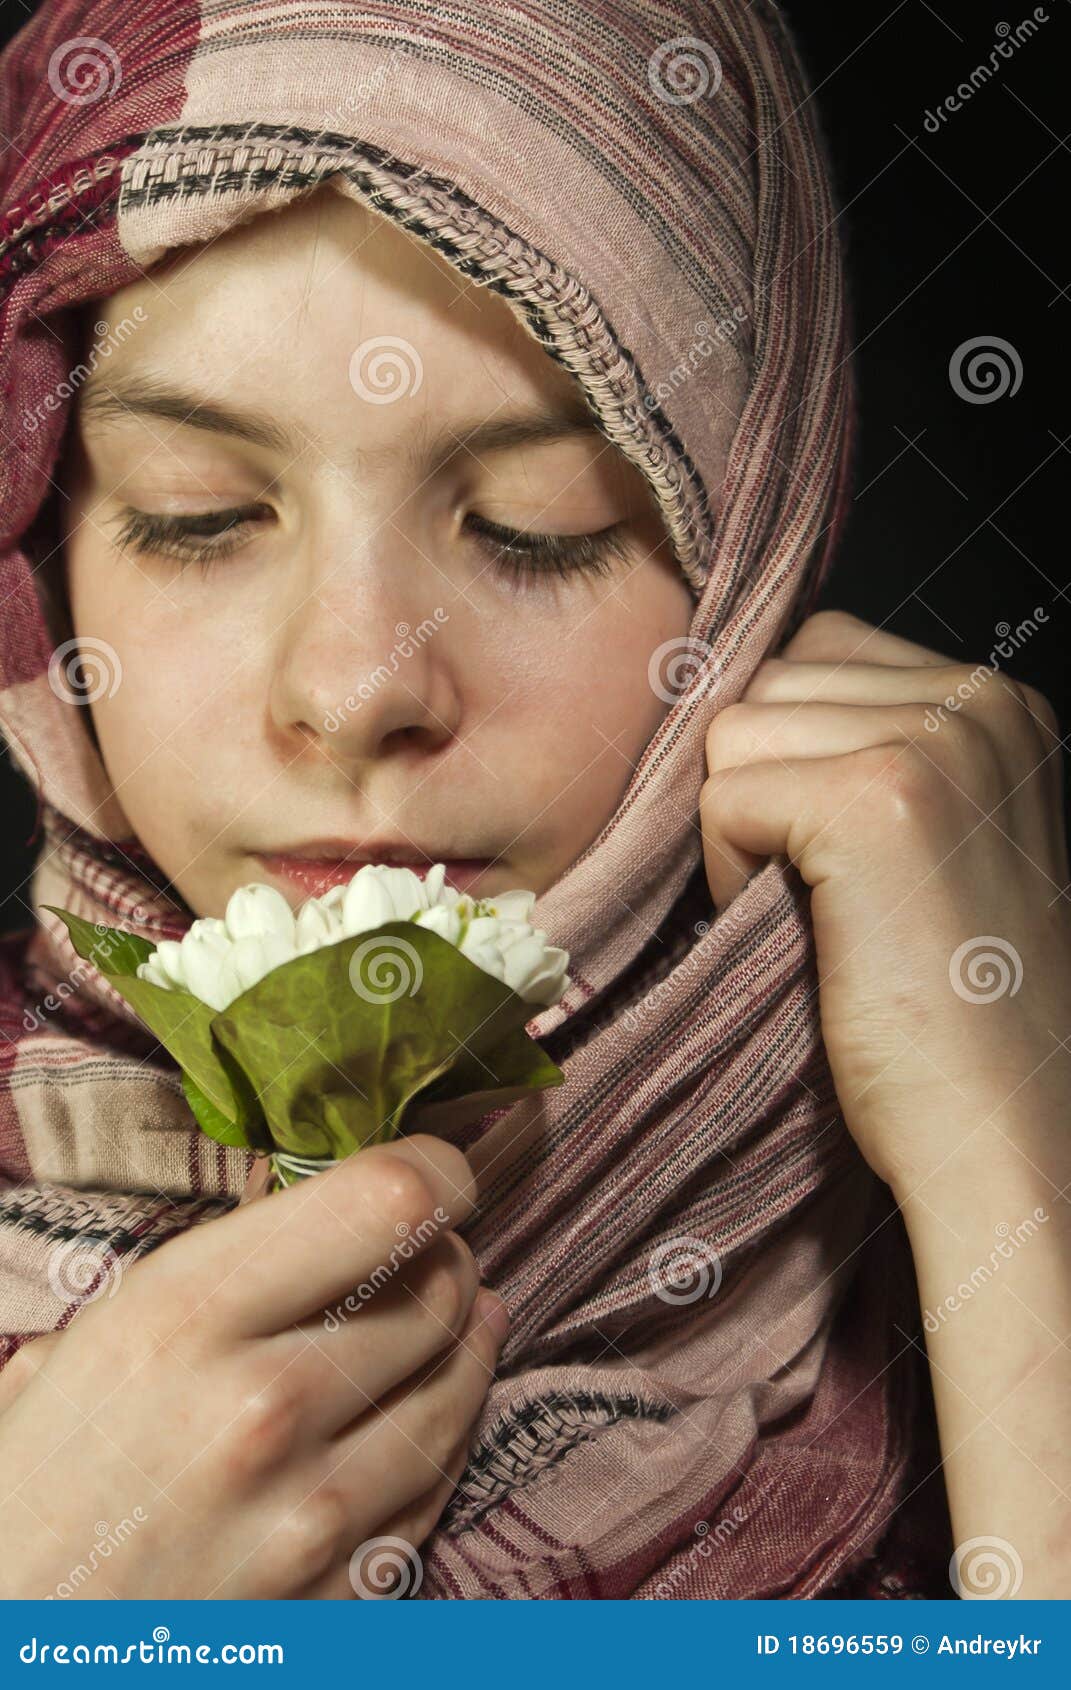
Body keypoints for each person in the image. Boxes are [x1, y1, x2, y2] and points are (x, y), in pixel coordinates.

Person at [0, 0, 1067, 1601]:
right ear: (46, 549)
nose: (360, 686)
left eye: (535, 523)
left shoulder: (949, 1210)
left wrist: (1008, 1157)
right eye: (199, 516)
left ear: (755, 543)